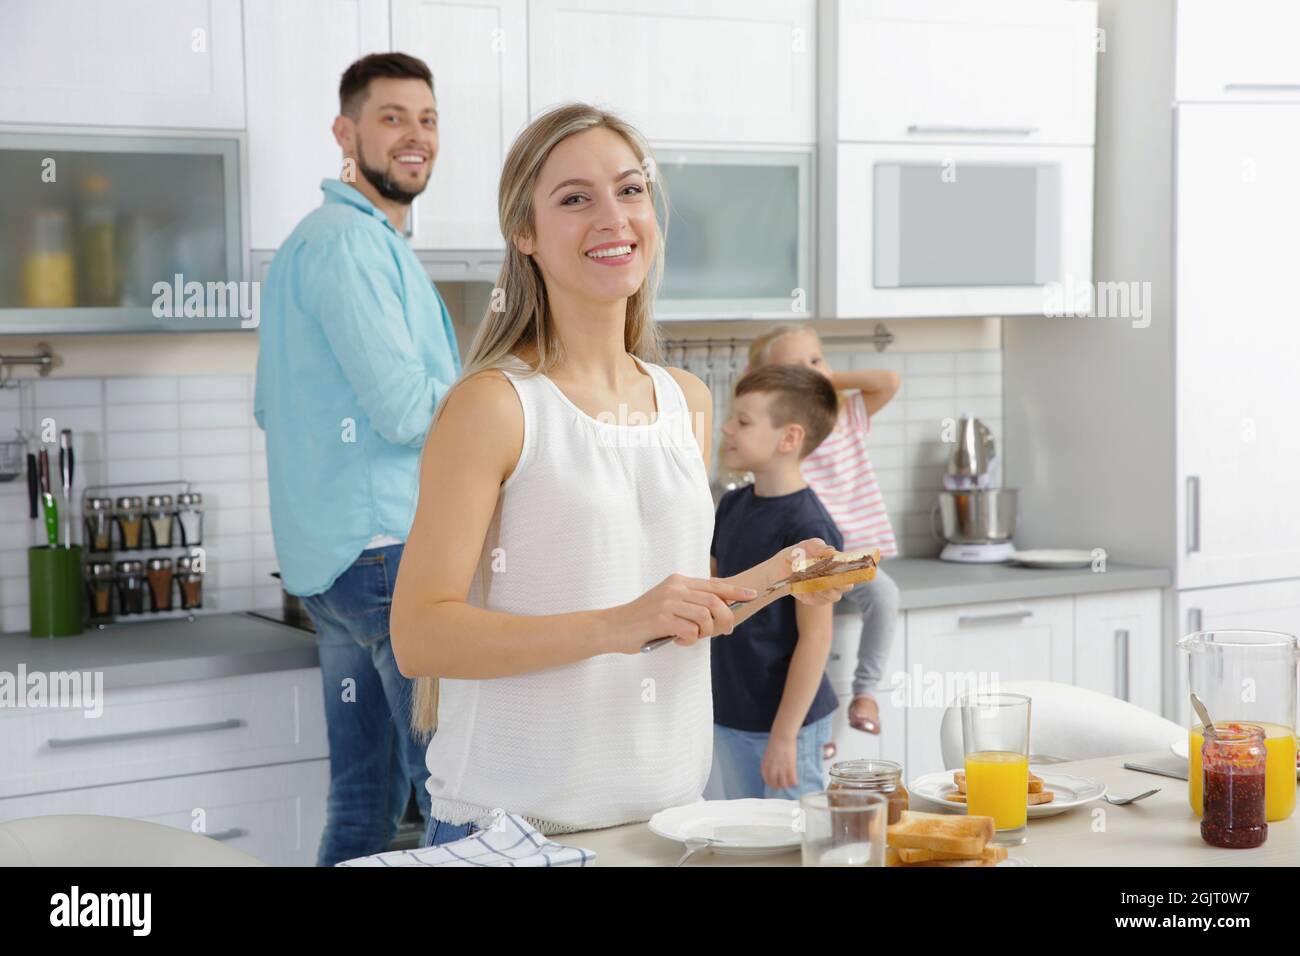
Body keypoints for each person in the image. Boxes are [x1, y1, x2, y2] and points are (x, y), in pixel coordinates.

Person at [389, 103, 851, 847]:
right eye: (576, 199)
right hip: (513, 834)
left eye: (631, 191)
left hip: (670, 824)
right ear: (526, 232)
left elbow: (665, 600)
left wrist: (779, 575)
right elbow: (419, 635)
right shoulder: (496, 407)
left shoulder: (686, 401)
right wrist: (616, 626)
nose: (614, 216)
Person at [253, 52, 460, 866]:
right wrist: (505, 396)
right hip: (388, 558)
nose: (416, 137)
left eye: (428, 119)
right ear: (346, 133)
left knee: (365, 805)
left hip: (333, 571)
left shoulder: (321, 244)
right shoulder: (350, 246)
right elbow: (408, 410)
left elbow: (273, 408)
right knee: (451, 793)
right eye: (392, 118)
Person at [747, 325, 901, 735]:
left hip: (855, 552)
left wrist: (824, 381)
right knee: (811, 634)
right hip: (812, 551)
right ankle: (819, 724)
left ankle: (865, 693)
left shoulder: (846, 412)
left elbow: (888, 382)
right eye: (795, 368)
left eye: (816, 360)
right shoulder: (781, 431)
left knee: (884, 596)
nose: (811, 371)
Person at [710, 364, 846, 798]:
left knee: (792, 843)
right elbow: (717, 599)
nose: (727, 427)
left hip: (789, 725)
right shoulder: (730, 506)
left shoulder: (810, 528)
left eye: (743, 421)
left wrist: (784, 737)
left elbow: (816, 640)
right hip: (733, 714)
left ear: (789, 438)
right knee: (746, 840)